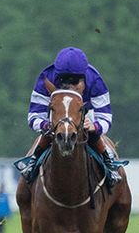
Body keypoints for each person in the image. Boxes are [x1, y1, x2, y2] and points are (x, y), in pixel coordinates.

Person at [18, 46, 121, 188]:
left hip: (86, 116)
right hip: (56, 118)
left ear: (84, 76)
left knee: (94, 134)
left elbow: (105, 116)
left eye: (75, 81)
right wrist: (46, 125)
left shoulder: (95, 80)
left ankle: (109, 164)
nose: (69, 85)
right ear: (57, 74)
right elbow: (34, 116)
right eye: (64, 80)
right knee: (51, 131)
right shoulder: (46, 79)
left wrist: (95, 126)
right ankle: (32, 163)